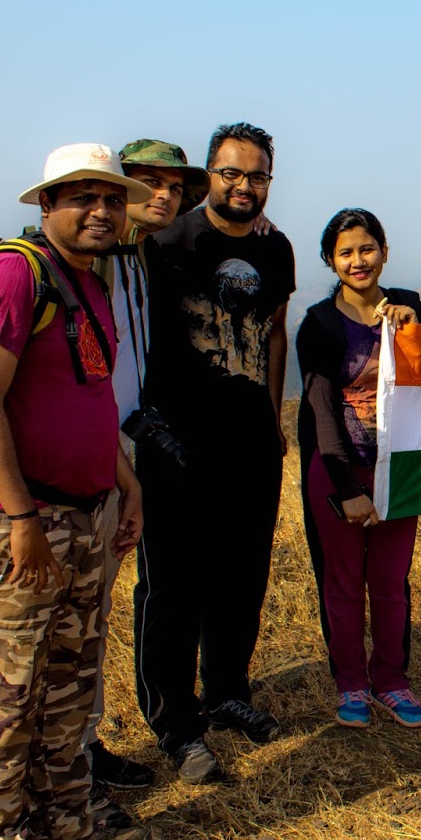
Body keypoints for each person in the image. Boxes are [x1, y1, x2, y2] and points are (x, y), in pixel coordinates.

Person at [0, 143, 152, 840]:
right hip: (16, 523)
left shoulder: (88, 280)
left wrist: (125, 484)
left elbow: (89, 397)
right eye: (80, 197)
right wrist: (21, 518)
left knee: (69, 683)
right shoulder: (14, 274)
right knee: (8, 700)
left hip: (85, 514)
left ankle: (65, 824)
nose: (100, 211)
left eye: (111, 198)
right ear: (45, 205)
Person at [133, 122, 295, 783]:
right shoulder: (164, 242)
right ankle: (175, 725)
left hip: (249, 442)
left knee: (241, 575)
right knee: (173, 586)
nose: (243, 185)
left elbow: (276, 331)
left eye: (256, 175)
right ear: (209, 176)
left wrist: (272, 416)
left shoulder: (276, 247)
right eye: (230, 173)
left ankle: (228, 690)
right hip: (177, 442)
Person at [82, 138, 209, 800]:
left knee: (140, 594)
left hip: (140, 442)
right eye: (149, 183)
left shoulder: (145, 258)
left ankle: (128, 734)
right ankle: (75, 751)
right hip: (89, 454)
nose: (163, 196)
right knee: (80, 608)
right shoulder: (87, 263)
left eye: (175, 187)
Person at [297, 208, 421, 730]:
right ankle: (351, 682)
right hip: (339, 469)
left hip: (399, 470)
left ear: (385, 251)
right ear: (331, 261)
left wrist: (415, 330)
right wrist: (347, 488)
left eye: (367, 248)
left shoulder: (409, 306)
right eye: (346, 252)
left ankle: (392, 679)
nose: (358, 261)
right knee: (344, 584)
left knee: (391, 583)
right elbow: (322, 410)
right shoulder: (319, 323)